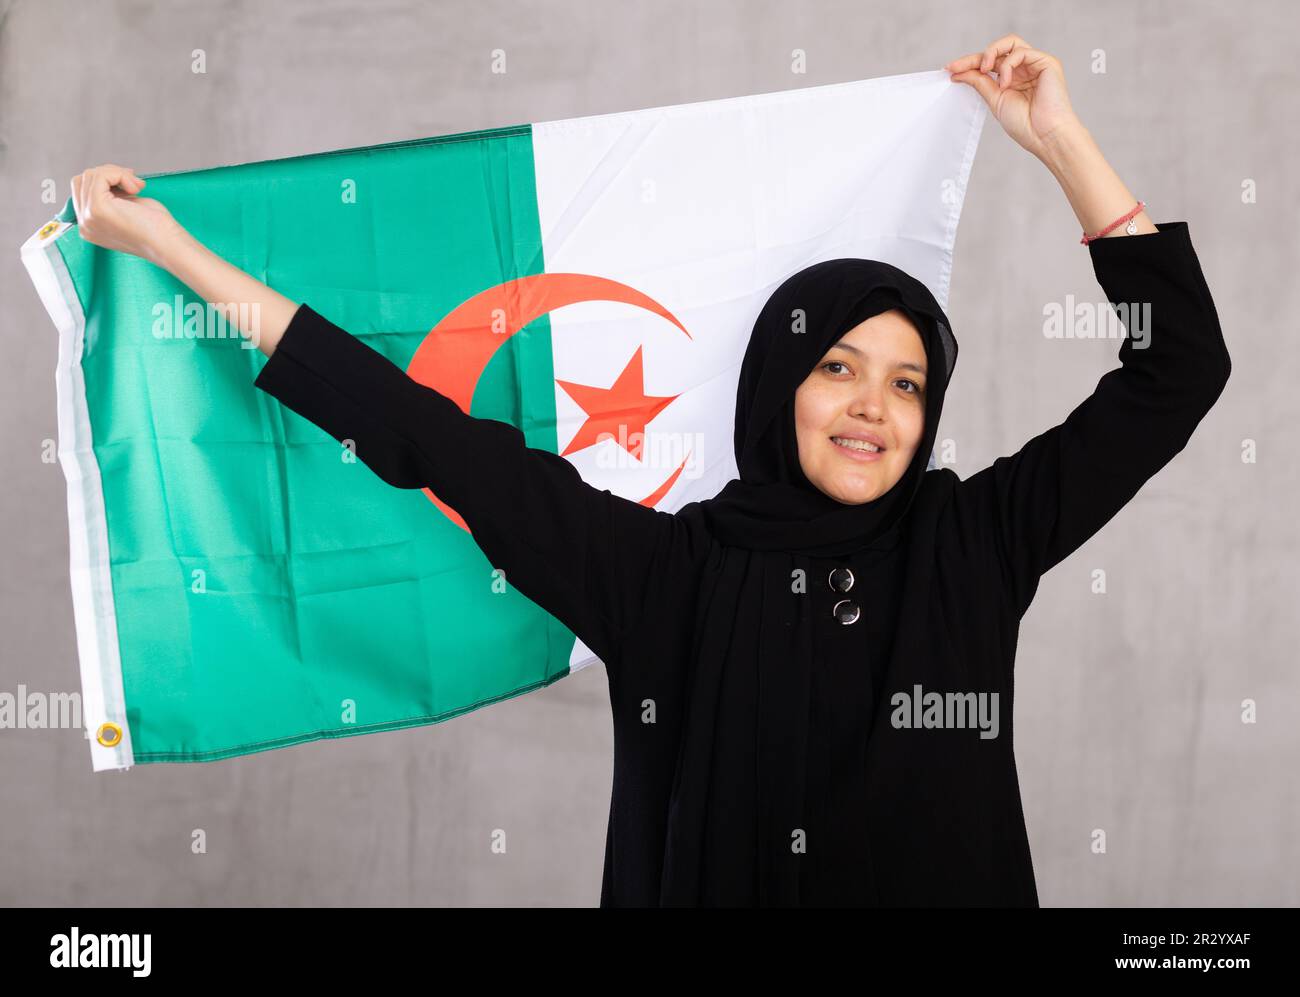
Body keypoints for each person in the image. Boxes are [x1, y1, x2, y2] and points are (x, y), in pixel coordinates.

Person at [70, 34, 1230, 906]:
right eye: (838, 367)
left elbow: (1177, 370)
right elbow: (412, 424)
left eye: (908, 381)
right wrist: (168, 248)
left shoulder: (972, 544)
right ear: (780, 391)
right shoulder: (663, 573)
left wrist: (1060, 141)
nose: (875, 405)